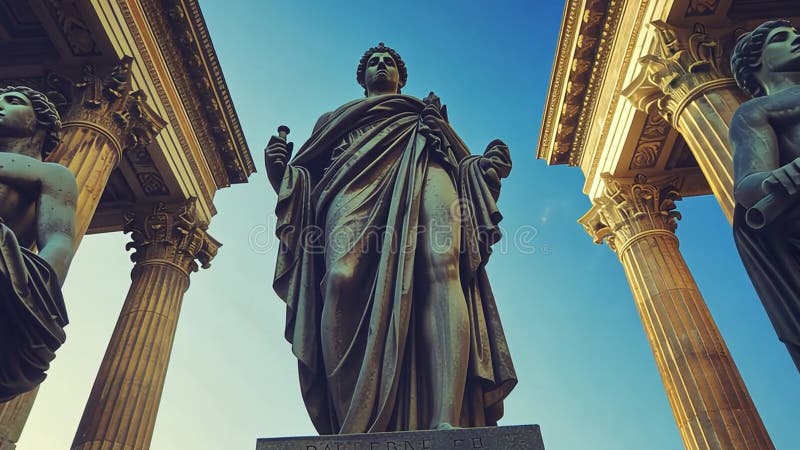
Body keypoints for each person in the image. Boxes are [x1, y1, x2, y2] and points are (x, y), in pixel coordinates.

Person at [264, 43, 517, 434]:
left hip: (424, 168)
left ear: (401, 76)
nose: (381, 66)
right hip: (348, 185)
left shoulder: (422, 111)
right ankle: (352, 422)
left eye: (389, 62)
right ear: (362, 77)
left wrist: (483, 167)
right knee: (339, 278)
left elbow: (461, 160)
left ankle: (445, 417)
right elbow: (304, 180)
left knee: (442, 267)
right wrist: (281, 174)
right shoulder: (334, 119)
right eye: (373, 63)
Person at [729, 20, 800, 373]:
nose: (796, 39)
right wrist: (778, 178)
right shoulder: (754, 113)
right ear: (756, 62)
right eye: (781, 38)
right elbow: (747, 187)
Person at [0, 86, 78, 402]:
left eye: (13, 101)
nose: (0, 106)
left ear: (40, 124)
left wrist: (37, 297)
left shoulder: (51, 174)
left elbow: (58, 239)